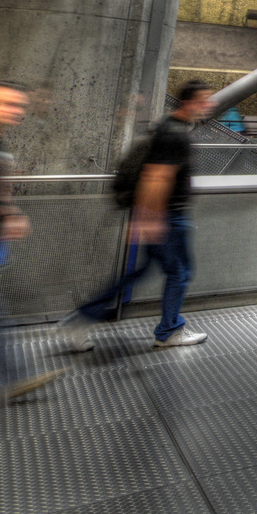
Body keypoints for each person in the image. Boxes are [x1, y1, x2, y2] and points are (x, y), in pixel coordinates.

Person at [60, 82, 214, 351]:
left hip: (162, 215)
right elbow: (156, 177)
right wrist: (147, 218)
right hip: (168, 216)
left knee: (143, 272)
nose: (209, 105)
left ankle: (83, 318)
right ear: (188, 102)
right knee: (179, 272)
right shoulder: (175, 134)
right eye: (204, 100)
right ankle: (168, 331)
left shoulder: (166, 125)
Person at [0, 81, 64, 400]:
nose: (14, 111)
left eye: (18, 106)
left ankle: (17, 376)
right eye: (3, 104)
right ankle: (17, 377)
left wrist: (8, 212)